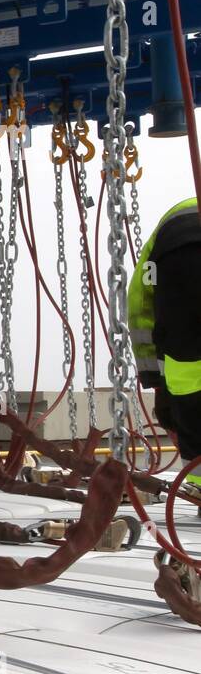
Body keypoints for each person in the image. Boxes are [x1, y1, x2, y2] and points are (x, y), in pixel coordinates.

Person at [128, 196, 201, 494]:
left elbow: (140, 297)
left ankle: (197, 486)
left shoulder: (175, 213)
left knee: (188, 389)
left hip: (174, 265)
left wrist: (154, 378)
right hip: (176, 262)